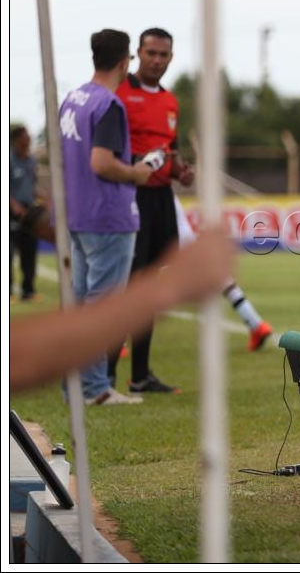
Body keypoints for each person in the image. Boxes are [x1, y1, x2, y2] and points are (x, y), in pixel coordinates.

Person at [59, 28, 156, 406]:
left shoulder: (74, 98)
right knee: (102, 306)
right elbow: (101, 162)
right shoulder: (108, 104)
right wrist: (137, 173)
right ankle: (96, 388)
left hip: (79, 214)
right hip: (107, 216)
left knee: (81, 301)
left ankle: (75, 385)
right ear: (124, 61)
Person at [10, 229, 234, 393]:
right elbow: (18, 357)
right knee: (94, 290)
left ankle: (98, 381)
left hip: (102, 219)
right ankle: (97, 383)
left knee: (85, 289)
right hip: (107, 221)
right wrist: (166, 290)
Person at [108, 27, 193, 394]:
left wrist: (182, 170)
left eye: (164, 55)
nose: (157, 60)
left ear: (171, 58)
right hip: (130, 197)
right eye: (151, 53)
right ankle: (104, 377)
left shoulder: (171, 101)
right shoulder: (118, 94)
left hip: (161, 201)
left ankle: (140, 376)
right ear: (137, 54)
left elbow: (170, 153)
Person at [173, 195, 272, 350]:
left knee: (134, 273)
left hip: (155, 217)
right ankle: (256, 324)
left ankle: (121, 341)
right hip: (174, 218)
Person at [9, 125, 41, 301]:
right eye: (25, 134)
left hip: (29, 212)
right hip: (10, 212)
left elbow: (33, 187)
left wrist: (50, 199)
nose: (29, 137)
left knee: (29, 251)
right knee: (8, 252)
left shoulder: (31, 162)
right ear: (16, 139)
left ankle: (28, 291)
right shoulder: (8, 160)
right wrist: (13, 205)